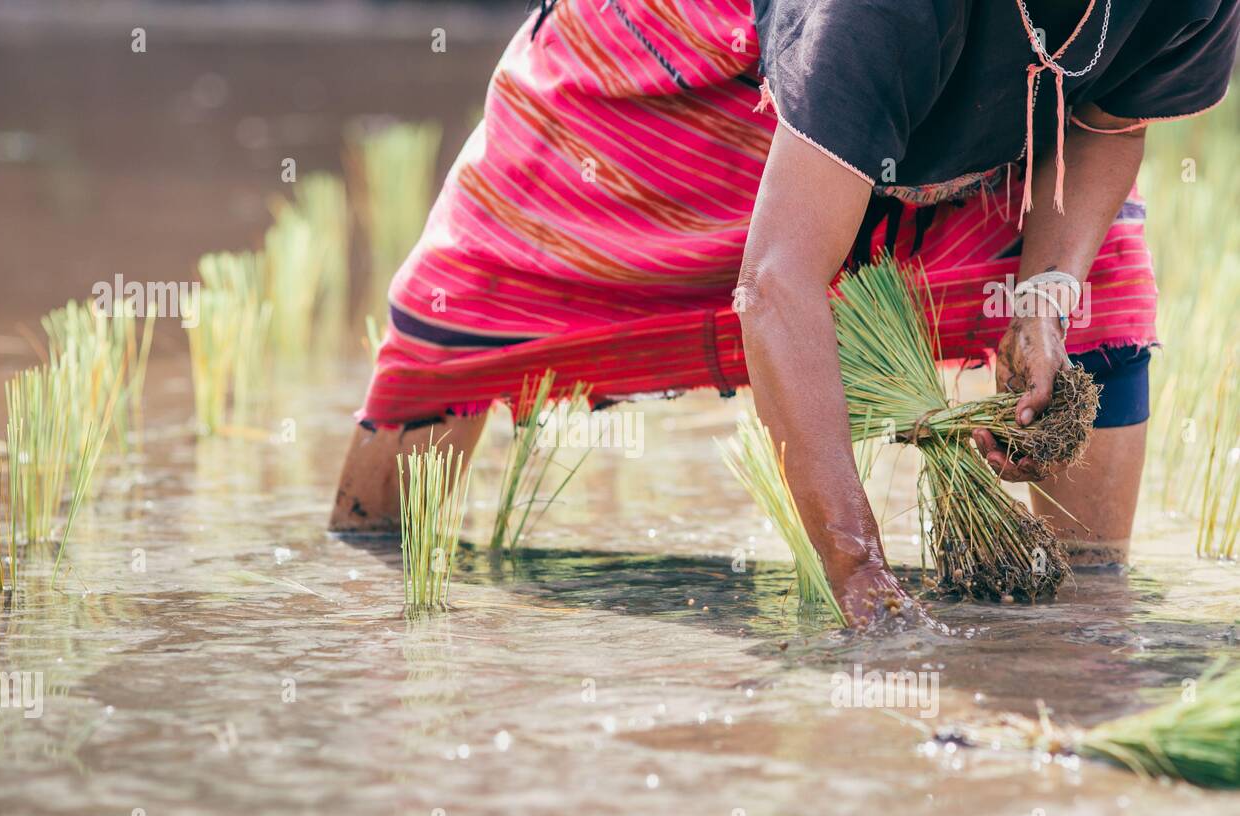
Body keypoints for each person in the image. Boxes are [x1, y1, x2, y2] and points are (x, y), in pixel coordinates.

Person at [330, 0, 1240, 624]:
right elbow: (778, 283)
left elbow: (1110, 125)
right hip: (689, 84)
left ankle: (1084, 620)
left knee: (1103, 305)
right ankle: (361, 573)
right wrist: (861, 579)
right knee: (479, 307)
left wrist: (1042, 301)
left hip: (985, 132)